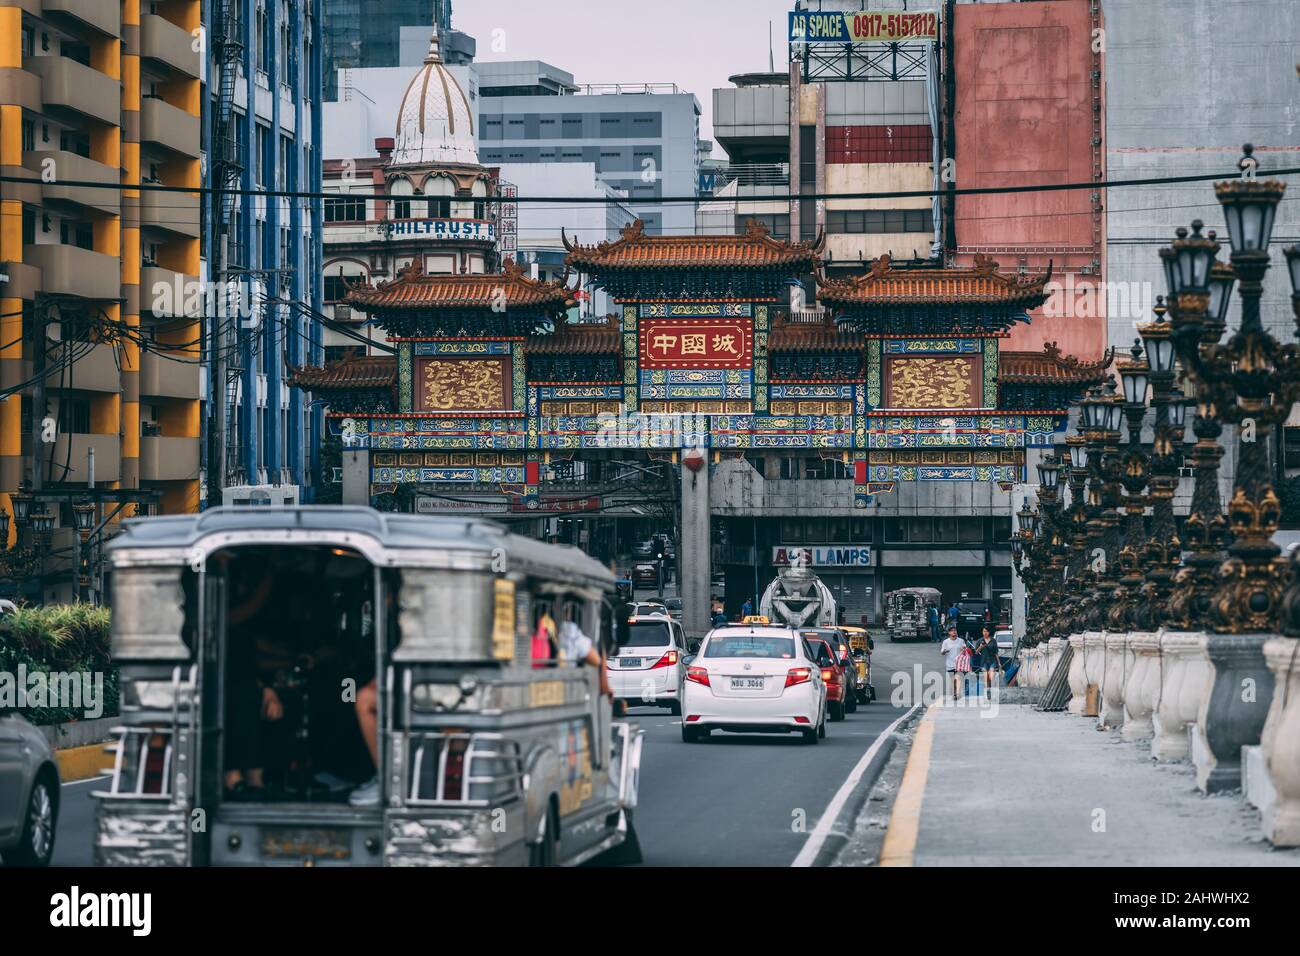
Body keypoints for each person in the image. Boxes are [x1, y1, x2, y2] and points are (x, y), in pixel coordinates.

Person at [940, 626, 967, 700]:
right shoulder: (946, 642)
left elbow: (965, 650)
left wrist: (964, 649)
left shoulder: (961, 641)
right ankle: (954, 693)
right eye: (952, 631)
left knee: (958, 678)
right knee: (953, 681)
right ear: (949, 633)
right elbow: (942, 652)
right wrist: (945, 651)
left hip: (959, 664)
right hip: (950, 664)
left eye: (955, 630)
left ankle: (957, 693)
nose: (954, 632)